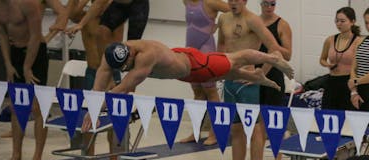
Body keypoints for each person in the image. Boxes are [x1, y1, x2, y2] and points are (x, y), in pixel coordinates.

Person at [214, 0, 288, 160]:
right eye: (230, 0)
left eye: (237, 0)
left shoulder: (253, 20)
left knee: (255, 130)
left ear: (245, 1)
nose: (232, 3)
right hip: (230, 82)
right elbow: (221, 44)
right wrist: (218, 69)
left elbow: (274, 49)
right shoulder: (223, 18)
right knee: (236, 130)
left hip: (248, 84)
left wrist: (259, 73)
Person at [89, 39, 293, 96]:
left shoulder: (145, 56)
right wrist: (93, 99)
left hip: (195, 66)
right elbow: (103, 71)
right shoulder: (113, 53)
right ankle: (257, 77)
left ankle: (272, 58)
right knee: (228, 74)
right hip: (184, 71)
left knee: (233, 60)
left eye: (127, 65)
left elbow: (124, 87)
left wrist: (95, 110)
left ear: (131, 53)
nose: (126, 69)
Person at [0, 0, 49, 160]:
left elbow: (36, 36)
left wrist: (27, 66)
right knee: (16, 107)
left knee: (38, 108)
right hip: (14, 53)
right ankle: (16, 156)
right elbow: (2, 35)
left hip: (36, 52)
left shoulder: (28, 3)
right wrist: (8, 64)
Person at [249, 0, 293, 160]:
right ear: (260, 3)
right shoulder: (254, 22)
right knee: (257, 121)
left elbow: (288, 55)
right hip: (254, 75)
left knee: (274, 119)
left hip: (274, 76)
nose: (269, 7)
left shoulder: (282, 24)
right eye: (266, 3)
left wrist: (273, 48)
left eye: (273, 4)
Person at [179, 0, 230, 146]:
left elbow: (233, 10)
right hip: (190, 49)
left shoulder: (210, 2)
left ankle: (214, 133)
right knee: (197, 92)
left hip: (205, 48)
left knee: (211, 91)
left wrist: (219, 25)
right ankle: (195, 132)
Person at [319, 6, 361, 112]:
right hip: (332, 81)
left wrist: (354, 90)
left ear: (352, 22)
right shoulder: (330, 40)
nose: (339, 24)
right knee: (328, 113)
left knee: (347, 116)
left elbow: (359, 66)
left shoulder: (358, 41)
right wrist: (327, 65)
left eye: (342, 21)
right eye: (337, 21)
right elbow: (322, 59)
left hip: (348, 81)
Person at [67, 0, 149, 48]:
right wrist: (81, 24)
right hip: (119, 4)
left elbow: (99, 4)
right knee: (102, 29)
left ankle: (126, 67)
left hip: (139, 4)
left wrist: (81, 24)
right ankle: (107, 64)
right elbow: (98, 4)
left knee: (132, 44)